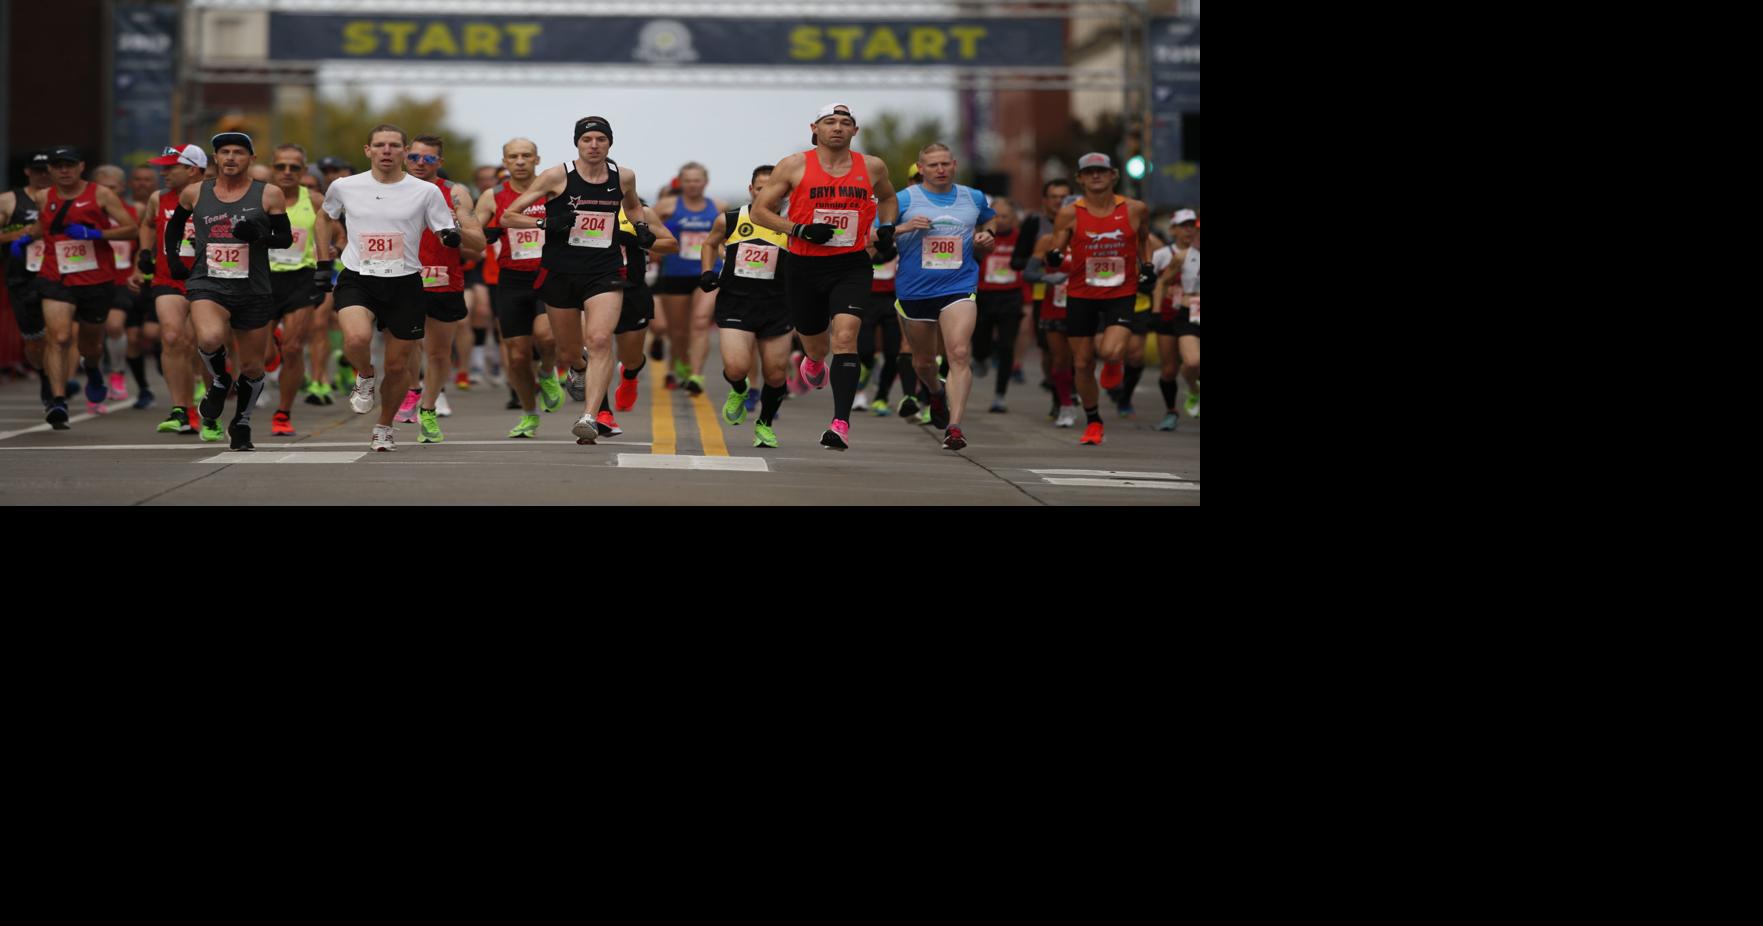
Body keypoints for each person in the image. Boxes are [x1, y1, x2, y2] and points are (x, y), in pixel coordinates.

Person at [748, 103, 899, 451]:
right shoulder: (794, 165)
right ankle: (813, 360)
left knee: (846, 338)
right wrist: (799, 229)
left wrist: (886, 226)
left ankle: (840, 423)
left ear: (854, 132)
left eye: (846, 122)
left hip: (851, 264)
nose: (838, 127)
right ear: (814, 127)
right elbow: (760, 212)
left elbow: (889, 198)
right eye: (830, 122)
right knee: (818, 345)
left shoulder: (872, 166)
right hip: (804, 266)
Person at [498, 116, 650, 445]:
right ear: (577, 143)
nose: (594, 145)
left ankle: (590, 416)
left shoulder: (623, 176)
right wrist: (545, 224)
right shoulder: (556, 175)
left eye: (600, 139)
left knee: (598, 340)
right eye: (587, 140)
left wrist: (640, 228)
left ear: (610, 143)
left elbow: (634, 206)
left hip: (605, 271)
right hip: (561, 272)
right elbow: (508, 215)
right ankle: (577, 369)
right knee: (568, 351)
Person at [321, 123, 463, 451]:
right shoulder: (344, 186)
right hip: (359, 275)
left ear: (404, 152)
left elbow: (443, 228)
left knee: (398, 366)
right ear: (367, 151)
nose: (387, 151)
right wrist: (322, 259)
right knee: (356, 338)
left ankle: (384, 425)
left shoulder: (425, 191)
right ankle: (365, 374)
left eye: (394, 146)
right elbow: (326, 216)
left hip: (404, 281)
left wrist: (451, 235)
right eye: (380, 145)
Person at [163, 132, 291, 450]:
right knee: (208, 338)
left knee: (252, 366)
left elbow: (285, 238)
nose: (231, 157)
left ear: (251, 158)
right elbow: (175, 226)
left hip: (253, 288)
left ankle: (241, 422)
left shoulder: (269, 194)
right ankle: (220, 380)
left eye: (238, 152)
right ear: (215, 159)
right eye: (224, 152)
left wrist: (259, 235)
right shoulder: (194, 193)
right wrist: (174, 260)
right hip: (209, 282)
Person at [1041, 153, 1155, 446]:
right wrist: (1053, 256)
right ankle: (1093, 421)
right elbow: (1056, 250)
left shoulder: (1135, 209)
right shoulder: (1069, 214)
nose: (1095, 176)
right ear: (1080, 178)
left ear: (1113, 175)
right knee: (1081, 363)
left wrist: (1148, 266)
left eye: (1101, 171)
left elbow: (1143, 239)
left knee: (1112, 352)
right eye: (1089, 172)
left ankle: (1114, 362)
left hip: (1121, 291)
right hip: (1081, 293)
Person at [23, 146, 139, 428]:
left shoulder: (100, 194)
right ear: (50, 169)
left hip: (95, 278)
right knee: (60, 337)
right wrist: (24, 239)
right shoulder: (43, 197)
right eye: (58, 165)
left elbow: (132, 229)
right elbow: (42, 227)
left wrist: (95, 233)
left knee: (90, 343)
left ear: (81, 167)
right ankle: (58, 400)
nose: (64, 170)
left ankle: (93, 369)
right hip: (55, 276)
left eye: (69, 165)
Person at [889, 143, 995, 451]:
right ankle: (935, 392)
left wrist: (987, 235)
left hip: (959, 286)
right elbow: (875, 232)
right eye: (933, 165)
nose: (940, 169)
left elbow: (990, 219)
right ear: (921, 169)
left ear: (955, 164)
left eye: (945, 164)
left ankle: (955, 426)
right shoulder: (904, 198)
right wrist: (905, 226)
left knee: (959, 353)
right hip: (915, 290)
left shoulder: (973, 196)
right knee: (923, 362)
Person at [474, 137, 566, 438]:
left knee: (546, 336)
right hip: (511, 279)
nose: (521, 161)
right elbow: (473, 235)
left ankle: (548, 371)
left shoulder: (553, 190)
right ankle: (529, 413)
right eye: (514, 156)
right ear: (505, 161)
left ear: (537, 160)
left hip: (549, 274)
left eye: (527, 155)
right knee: (516, 356)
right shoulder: (492, 196)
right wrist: (484, 233)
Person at [398, 134, 485, 443]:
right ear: (406, 156)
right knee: (404, 345)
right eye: (415, 158)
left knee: (437, 352)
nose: (421, 164)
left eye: (429, 159)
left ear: (440, 162)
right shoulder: (390, 190)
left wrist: (455, 232)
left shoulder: (456, 193)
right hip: (400, 278)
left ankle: (429, 409)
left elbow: (480, 242)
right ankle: (412, 388)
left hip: (444, 281)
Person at [697, 164, 792, 448]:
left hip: (778, 304)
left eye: (775, 189)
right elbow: (709, 243)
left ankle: (764, 424)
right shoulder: (732, 219)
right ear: (752, 190)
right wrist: (707, 271)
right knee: (737, 367)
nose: (768, 194)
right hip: (736, 302)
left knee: (775, 373)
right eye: (761, 188)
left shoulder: (793, 223)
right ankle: (739, 389)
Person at [263, 143, 334, 436]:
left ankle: (283, 412)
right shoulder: (257, 198)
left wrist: (325, 265)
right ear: (272, 169)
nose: (287, 172)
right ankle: (273, 343)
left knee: (293, 349)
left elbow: (330, 235)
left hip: (300, 278)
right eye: (281, 166)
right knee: (263, 356)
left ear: (304, 171)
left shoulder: (315, 200)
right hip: (262, 279)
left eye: (294, 167)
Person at [139, 143, 206, 433]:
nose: (164, 172)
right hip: (168, 278)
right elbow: (146, 225)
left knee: (197, 344)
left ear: (192, 170)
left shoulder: (215, 196)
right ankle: (182, 409)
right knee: (171, 336)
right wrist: (144, 251)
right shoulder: (158, 198)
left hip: (206, 280)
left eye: (170, 167)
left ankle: (205, 396)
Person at [653, 161, 720, 395]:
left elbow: (728, 236)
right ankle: (681, 361)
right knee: (678, 331)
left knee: (700, 322)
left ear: (705, 182)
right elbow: (647, 226)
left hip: (707, 273)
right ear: (681, 183)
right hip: (676, 273)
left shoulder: (718, 207)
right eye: (688, 180)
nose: (693, 185)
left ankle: (696, 375)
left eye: (697, 180)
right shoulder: (667, 206)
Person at [0, 151, 53, 408]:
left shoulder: (64, 199)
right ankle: (46, 376)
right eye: (37, 170)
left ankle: (59, 385)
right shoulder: (9, 200)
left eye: (47, 169)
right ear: (27, 171)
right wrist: (21, 236)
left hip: (59, 275)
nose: (43, 175)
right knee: (34, 340)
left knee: (62, 333)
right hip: (22, 277)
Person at [1151, 209, 1200, 430]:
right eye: (1185, 226)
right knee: (1182, 365)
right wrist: (1155, 311)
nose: (1189, 230)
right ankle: (1182, 402)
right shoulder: (1176, 255)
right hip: (1183, 314)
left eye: (1193, 225)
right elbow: (1160, 282)